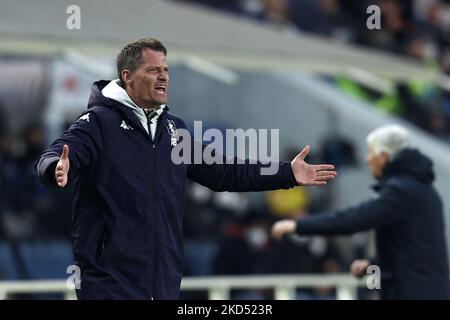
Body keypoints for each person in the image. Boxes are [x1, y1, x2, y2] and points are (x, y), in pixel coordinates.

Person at [35, 37, 337, 300]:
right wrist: (56, 168)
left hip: (162, 281)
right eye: (153, 70)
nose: (163, 76)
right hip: (109, 280)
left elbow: (224, 173)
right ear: (127, 76)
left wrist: (287, 173)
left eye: (166, 70)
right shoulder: (99, 122)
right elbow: (58, 153)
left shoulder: (173, 130)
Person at [272, 124, 450, 300]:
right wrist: (373, 264)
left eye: (371, 153)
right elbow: (414, 250)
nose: (367, 159)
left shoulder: (401, 191)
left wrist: (299, 225)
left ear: (385, 157)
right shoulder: (423, 190)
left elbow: (355, 218)